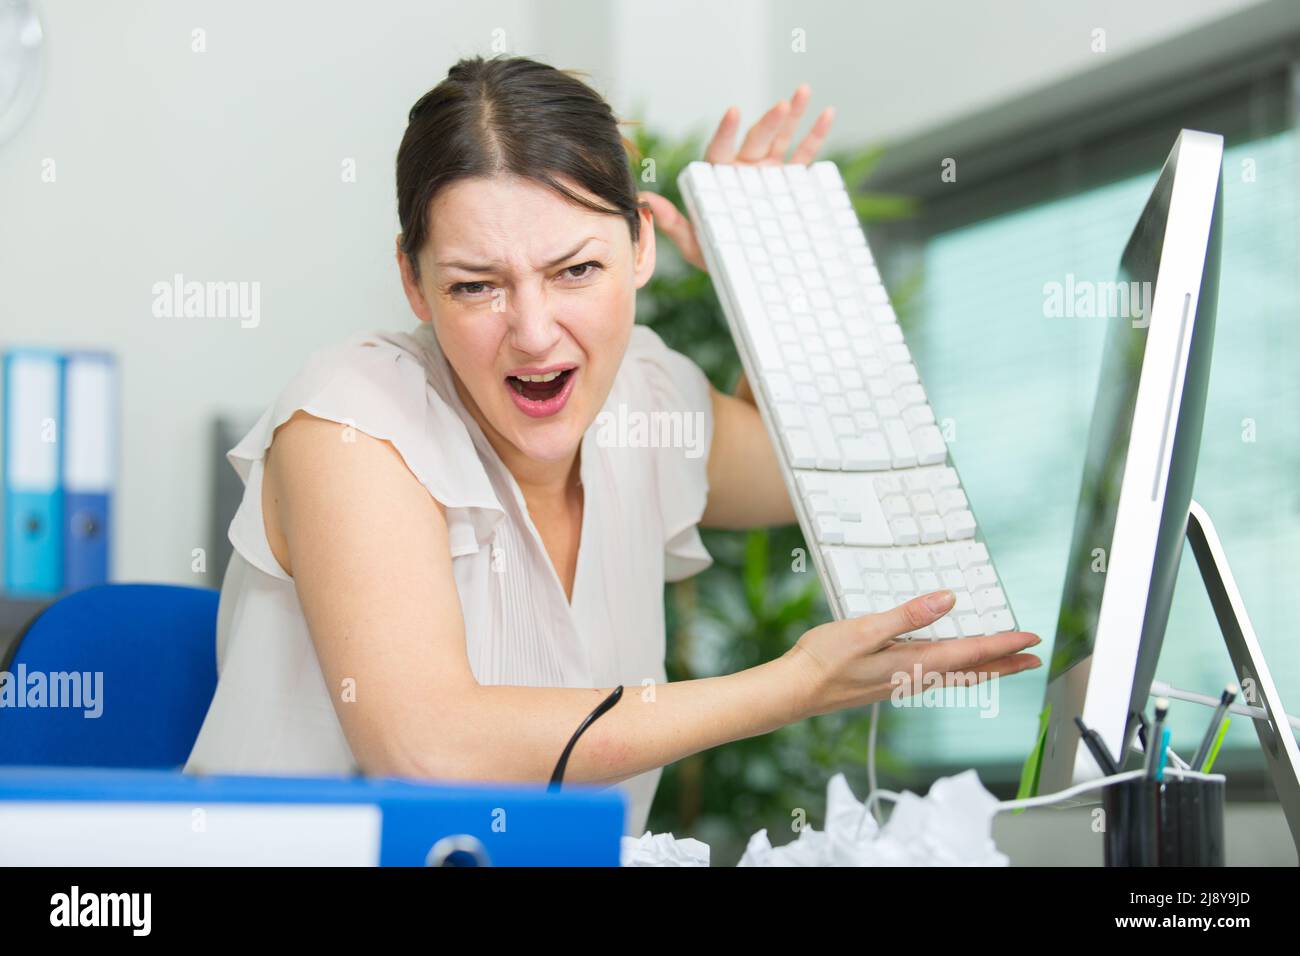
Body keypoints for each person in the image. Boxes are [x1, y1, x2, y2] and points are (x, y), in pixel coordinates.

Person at [184, 54, 1041, 836]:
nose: (532, 332)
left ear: (640, 247)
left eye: (575, 271)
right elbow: (429, 750)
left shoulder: (646, 400)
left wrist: (767, 280)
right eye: (476, 285)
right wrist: (794, 686)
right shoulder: (350, 422)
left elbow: (808, 472)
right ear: (413, 280)